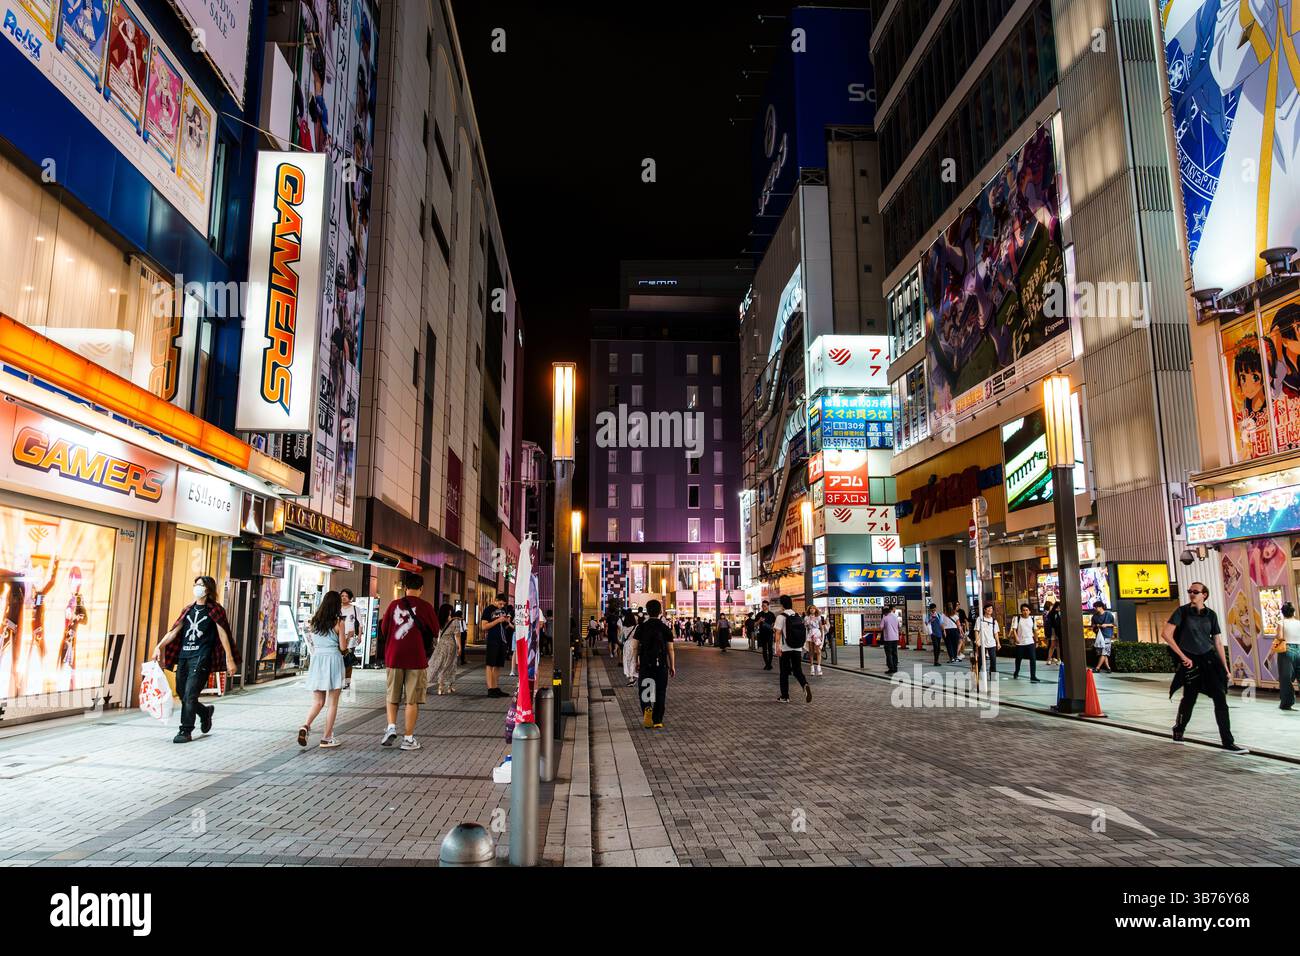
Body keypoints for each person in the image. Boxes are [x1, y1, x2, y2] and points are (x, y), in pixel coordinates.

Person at [1161, 583, 1248, 754]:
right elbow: (1166, 634)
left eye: (1196, 592)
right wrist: (1183, 656)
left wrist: (1225, 668)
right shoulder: (1182, 612)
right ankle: (1179, 729)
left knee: (1220, 698)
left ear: (1204, 595)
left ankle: (1228, 741)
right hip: (1190, 661)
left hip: (1209, 660)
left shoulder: (1211, 615)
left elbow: (1217, 641)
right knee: (1189, 698)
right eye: (1190, 591)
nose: (1192, 594)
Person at [153, 576, 237, 744]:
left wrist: (230, 659)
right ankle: (205, 712)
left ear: (208, 590)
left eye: (201, 585)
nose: (197, 587)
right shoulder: (188, 609)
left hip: (201, 657)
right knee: (183, 693)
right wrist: (158, 647)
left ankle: (185, 730)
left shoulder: (215, 610)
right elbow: (174, 631)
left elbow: (223, 634)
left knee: (190, 693)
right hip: (184, 656)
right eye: (196, 584)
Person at [378, 572, 438, 751]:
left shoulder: (394, 605)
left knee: (392, 695)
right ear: (421, 589)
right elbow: (435, 630)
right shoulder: (426, 606)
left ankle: (391, 727)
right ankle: (408, 739)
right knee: (412, 700)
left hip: (394, 656)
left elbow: (384, 629)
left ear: (405, 588)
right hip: (416, 658)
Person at [297, 590, 348, 748]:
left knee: (318, 701)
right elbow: (343, 647)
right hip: (333, 660)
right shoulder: (339, 622)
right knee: (332, 703)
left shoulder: (314, 622)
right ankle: (326, 738)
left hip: (318, 660)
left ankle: (305, 725)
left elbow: (314, 642)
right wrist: (348, 637)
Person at [628, 599, 674, 729]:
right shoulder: (665, 628)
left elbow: (635, 647)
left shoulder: (641, 627)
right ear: (660, 611)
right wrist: (672, 665)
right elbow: (670, 649)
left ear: (647, 611)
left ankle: (647, 709)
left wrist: (636, 661)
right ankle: (658, 720)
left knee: (645, 691)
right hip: (662, 665)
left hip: (645, 664)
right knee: (660, 692)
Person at [774, 595, 812, 703]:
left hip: (785, 648)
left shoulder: (781, 617)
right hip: (797, 648)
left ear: (782, 605)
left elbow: (778, 633)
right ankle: (805, 684)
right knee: (797, 670)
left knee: (784, 673)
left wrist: (777, 647)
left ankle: (785, 696)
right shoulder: (797, 615)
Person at [428, 603, 461, 695]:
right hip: (451, 645)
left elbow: (435, 634)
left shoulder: (438, 621)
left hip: (441, 645)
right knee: (450, 664)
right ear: (450, 611)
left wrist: (435, 644)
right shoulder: (455, 621)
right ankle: (449, 686)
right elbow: (457, 635)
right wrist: (460, 646)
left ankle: (440, 687)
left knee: (439, 663)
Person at [482, 594, 511, 697]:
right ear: (496, 600)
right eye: (500, 603)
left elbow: (505, 625)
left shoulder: (504, 610)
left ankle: (495, 687)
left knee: (498, 665)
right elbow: (484, 626)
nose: (501, 606)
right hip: (492, 640)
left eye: (503, 604)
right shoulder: (488, 610)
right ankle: (490, 689)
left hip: (502, 640)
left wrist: (508, 622)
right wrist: (497, 620)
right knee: (490, 664)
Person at [1278, 602, 1300, 711]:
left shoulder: (1281, 623)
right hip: (1299, 649)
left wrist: (1271, 653)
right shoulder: (1299, 623)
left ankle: (1287, 703)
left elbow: (1279, 638)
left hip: (1287, 650)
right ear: (1294, 612)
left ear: (1282, 613)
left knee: (1285, 678)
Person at [1011, 604, 1040, 681]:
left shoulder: (1032, 619)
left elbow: (1035, 631)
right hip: (1020, 643)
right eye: (1023, 610)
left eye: (1027, 610)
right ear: (1021, 611)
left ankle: (1033, 676)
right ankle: (1016, 672)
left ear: (1029, 611)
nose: (1025, 612)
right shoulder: (1017, 619)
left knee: (1033, 659)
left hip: (1030, 642)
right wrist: (1016, 637)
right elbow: (1014, 629)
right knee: (1018, 659)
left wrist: (1036, 641)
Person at [339, 588, 360, 689]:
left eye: (346, 596)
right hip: (339, 636)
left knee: (348, 659)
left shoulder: (355, 609)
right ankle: (339, 680)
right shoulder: (338, 608)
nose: (343, 598)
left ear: (350, 598)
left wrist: (360, 636)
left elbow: (360, 624)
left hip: (351, 637)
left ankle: (347, 681)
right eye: (342, 596)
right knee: (339, 659)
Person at [974, 603, 999, 678]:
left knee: (993, 660)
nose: (989, 610)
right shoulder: (980, 619)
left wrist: (998, 643)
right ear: (984, 610)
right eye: (988, 608)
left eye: (991, 608)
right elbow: (976, 630)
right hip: (982, 643)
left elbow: (996, 633)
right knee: (980, 660)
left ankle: (993, 676)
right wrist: (977, 640)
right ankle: (976, 675)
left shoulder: (994, 621)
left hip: (992, 643)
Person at [1090, 601, 1115, 673]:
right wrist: (1096, 626)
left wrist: (1106, 625)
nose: (1095, 609)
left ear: (1101, 607)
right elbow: (1093, 626)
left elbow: (1113, 624)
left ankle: (1097, 668)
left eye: (1096, 607)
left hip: (1107, 635)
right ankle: (1108, 668)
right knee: (1103, 653)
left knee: (1104, 652)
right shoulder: (1094, 616)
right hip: (1099, 636)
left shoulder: (1109, 614)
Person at [880, 605, 901, 675]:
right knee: (895, 653)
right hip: (895, 638)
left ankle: (891, 668)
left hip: (888, 638)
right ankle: (895, 667)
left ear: (884, 613)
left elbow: (881, 627)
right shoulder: (896, 617)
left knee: (888, 654)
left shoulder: (885, 618)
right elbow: (899, 626)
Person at [756, 600, 776, 670]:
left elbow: (774, 624)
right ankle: (767, 664)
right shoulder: (759, 614)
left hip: (770, 634)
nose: (763, 607)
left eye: (764, 606)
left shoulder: (771, 614)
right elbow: (755, 625)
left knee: (770, 649)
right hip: (762, 634)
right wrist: (759, 621)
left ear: (768, 606)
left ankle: (769, 664)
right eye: (762, 606)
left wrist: (773, 627)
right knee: (764, 649)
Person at [804, 607, 824, 675]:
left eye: (813, 608)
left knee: (818, 651)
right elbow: (805, 627)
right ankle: (812, 667)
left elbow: (821, 627)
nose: (812, 609)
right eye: (810, 608)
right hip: (810, 633)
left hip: (817, 633)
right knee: (811, 651)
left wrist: (821, 636)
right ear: (809, 610)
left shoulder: (818, 617)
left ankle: (819, 667)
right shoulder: (806, 618)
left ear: (815, 610)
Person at [1043, 600, 1061, 665]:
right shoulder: (1052, 613)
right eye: (1058, 607)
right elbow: (1049, 622)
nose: (1058, 608)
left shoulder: (1061, 613)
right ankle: (1049, 659)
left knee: (1058, 646)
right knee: (1052, 645)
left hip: (1059, 632)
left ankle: (1059, 659)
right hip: (1053, 631)